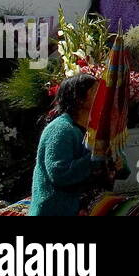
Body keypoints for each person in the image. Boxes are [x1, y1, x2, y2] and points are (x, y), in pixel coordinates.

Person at [30, 73, 108, 216]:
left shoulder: (94, 130)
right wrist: (96, 156)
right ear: (79, 99)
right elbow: (59, 173)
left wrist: (117, 162)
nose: (102, 97)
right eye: (95, 92)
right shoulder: (60, 129)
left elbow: (119, 170)